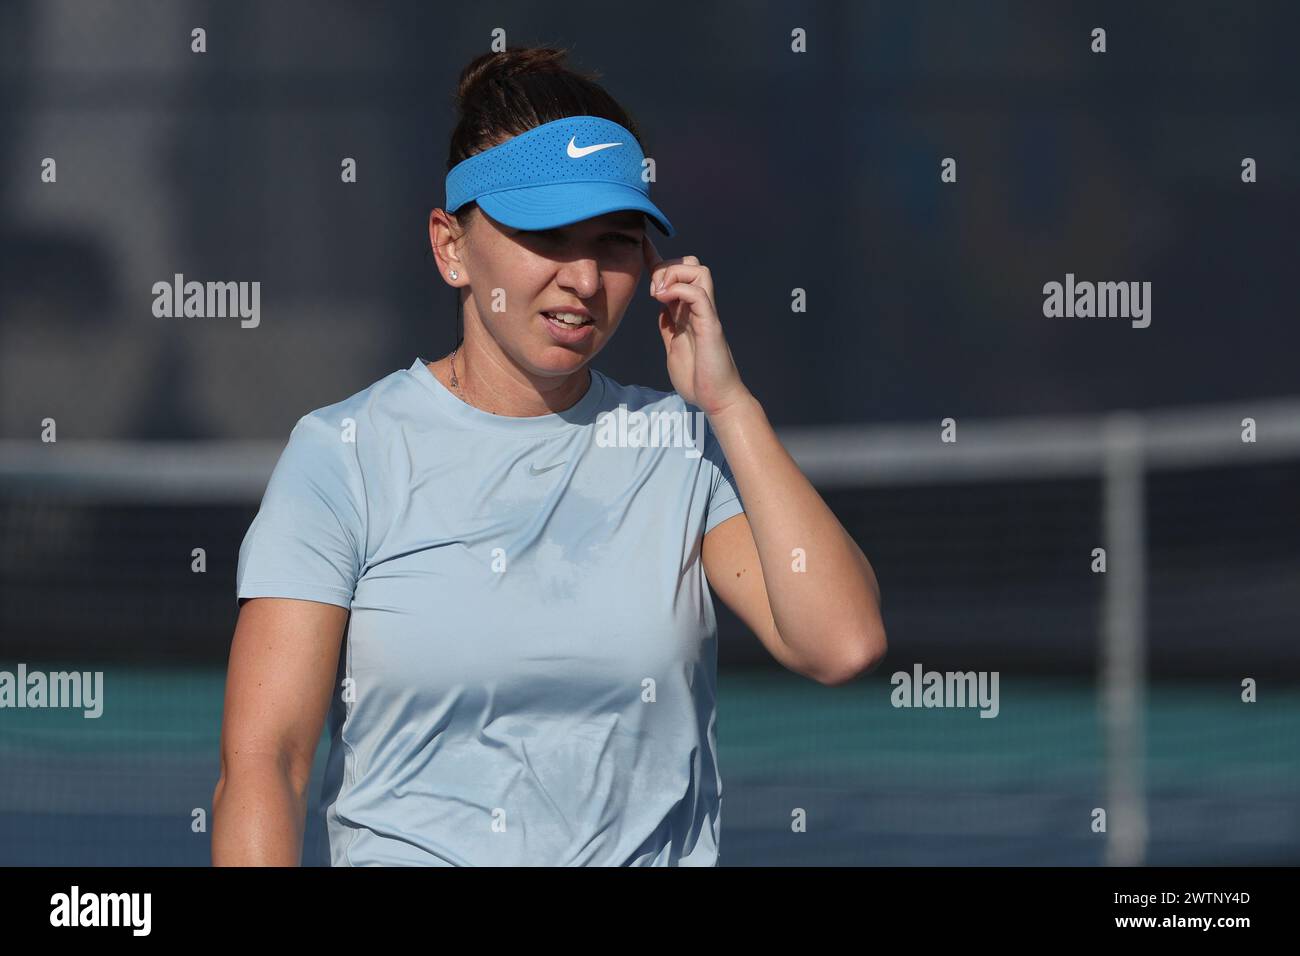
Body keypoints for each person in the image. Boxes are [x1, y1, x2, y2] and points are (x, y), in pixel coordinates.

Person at [211, 45, 886, 867]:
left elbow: (840, 642)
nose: (583, 278)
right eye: (545, 234)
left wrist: (730, 405)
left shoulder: (683, 444)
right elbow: (265, 766)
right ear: (451, 247)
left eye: (614, 241)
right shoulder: (341, 455)